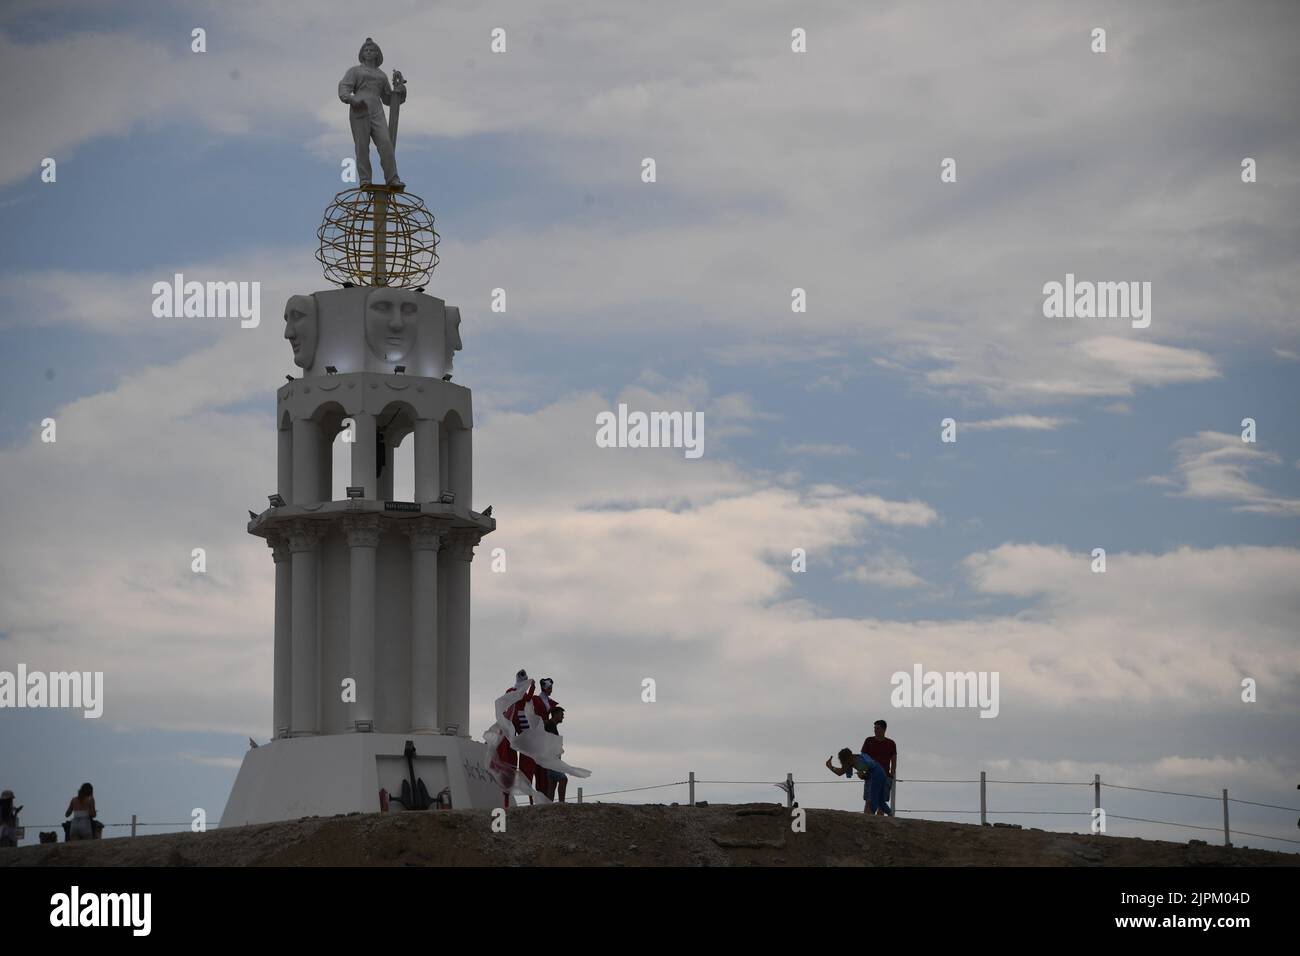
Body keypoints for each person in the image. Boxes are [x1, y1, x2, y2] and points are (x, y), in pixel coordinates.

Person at [337, 38, 406, 188]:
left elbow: (389, 99)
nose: (368, 52)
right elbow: (344, 87)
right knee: (362, 145)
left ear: (377, 54)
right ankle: (365, 179)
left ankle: (392, 178)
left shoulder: (381, 75)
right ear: (362, 54)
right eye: (366, 50)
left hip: (377, 108)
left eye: (372, 50)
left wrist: (400, 90)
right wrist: (350, 98)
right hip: (360, 107)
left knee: (386, 143)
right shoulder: (355, 71)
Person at [826, 748, 891, 816]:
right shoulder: (851, 761)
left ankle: (871, 815)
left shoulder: (857, 759)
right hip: (880, 772)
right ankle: (890, 813)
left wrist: (863, 774)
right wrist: (830, 767)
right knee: (880, 800)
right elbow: (841, 772)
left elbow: (869, 767)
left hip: (877, 773)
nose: (847, 762)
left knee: (873, 797)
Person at [862, 719, 897, 814]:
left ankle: (880, 824)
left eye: (878, 728)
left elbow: (894, 760)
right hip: (871, 774)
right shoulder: (869, 741)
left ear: (884, 729)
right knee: (869, 800)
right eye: (875, 728)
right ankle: (866, 821)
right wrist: (863, 771)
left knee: (882, 803)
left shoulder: (891, 743)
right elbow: (863, 757)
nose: (875, 730)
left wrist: (891, 775)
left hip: (885, 776)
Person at [543, 705, 568, 802]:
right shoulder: (549, 724)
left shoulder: (551, 725)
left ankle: (550, 804)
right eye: (561, 714)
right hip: (551, 760)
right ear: (556, 715)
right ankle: (561, 803)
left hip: (552, 759)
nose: (563, 717)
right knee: (563, 779)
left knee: (552, 783)